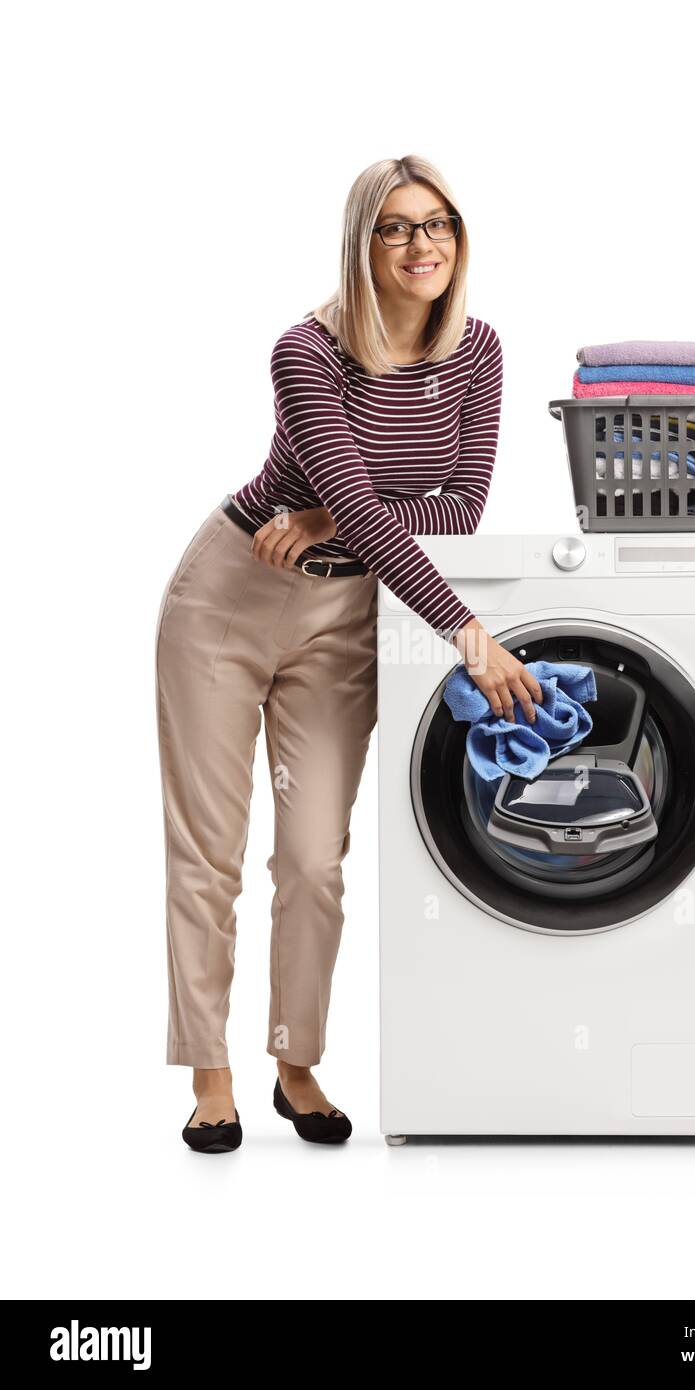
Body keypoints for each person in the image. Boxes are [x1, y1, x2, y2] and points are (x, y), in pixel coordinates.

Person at [155, 153, 542, 1152]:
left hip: (345, 620)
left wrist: (331, 516)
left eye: (438, 225)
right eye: (396, 227)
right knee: (209, 856)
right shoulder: (307, 351)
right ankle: (209, 1075)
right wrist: (466, 630)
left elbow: (458, 509)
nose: (422, 246)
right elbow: (388, 513)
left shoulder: (477, 351)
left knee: (313, 857)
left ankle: (294, 1063)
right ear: (359, 242)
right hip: (229, 601)